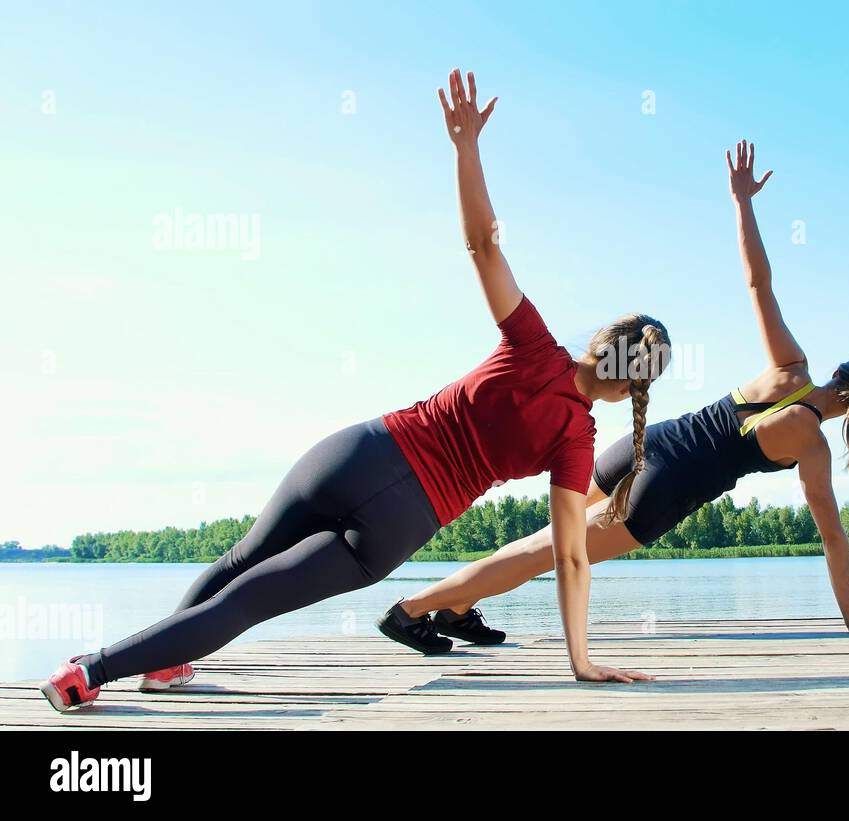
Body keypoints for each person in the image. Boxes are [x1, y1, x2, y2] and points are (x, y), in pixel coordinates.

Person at [39, 69, 671, 713]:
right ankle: (93, 669)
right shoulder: (577, 436)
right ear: (634, 387)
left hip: (355, 454)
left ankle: (161, 664)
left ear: (598, 340)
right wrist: (581, 660)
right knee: (250, 600)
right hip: (402, 517)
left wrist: (466, 147)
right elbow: (569, 558)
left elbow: (483, 245)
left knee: (239, 563)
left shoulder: (532, 342)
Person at [376, 139, 849, 654]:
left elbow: (759, 283)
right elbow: (832, 538)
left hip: (641, 444)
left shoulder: (790, 366)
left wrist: (742, 202)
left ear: (839, 370)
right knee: (544, 552)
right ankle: (412, 610)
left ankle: (457, 609)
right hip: (662, 489)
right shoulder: (813, 445)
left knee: (539, 544)